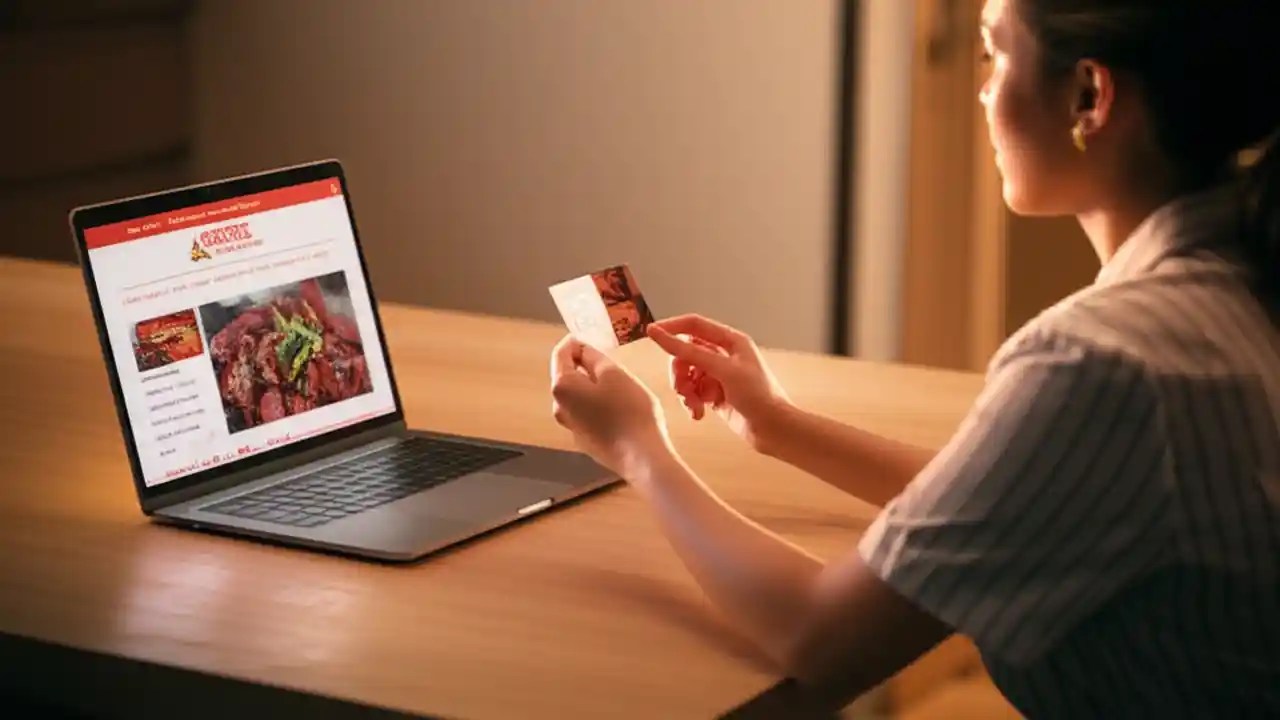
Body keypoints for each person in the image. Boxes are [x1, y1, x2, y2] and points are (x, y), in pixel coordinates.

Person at [548, 0, 1280, 715]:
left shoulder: (1100, 360)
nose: (984, 90)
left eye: (995, 54)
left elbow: (820, 636)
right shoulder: (1236, 279)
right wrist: (777, 424)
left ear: (1090, 95)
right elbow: (1016, 494)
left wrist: (639, 448)